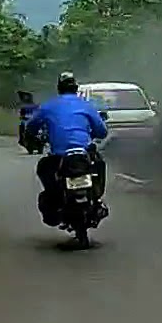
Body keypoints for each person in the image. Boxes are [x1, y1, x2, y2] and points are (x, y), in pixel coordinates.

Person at [25, 72, 109, 225]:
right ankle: (96, 198)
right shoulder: (86, 105)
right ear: (76, 88)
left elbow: (31, 126)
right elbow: (102, 132)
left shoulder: (49, 106)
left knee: (44, 169)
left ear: (59, 88)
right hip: (84, 154)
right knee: (99, 164)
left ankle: (58, 202)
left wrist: (33, 136)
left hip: (59, 155)